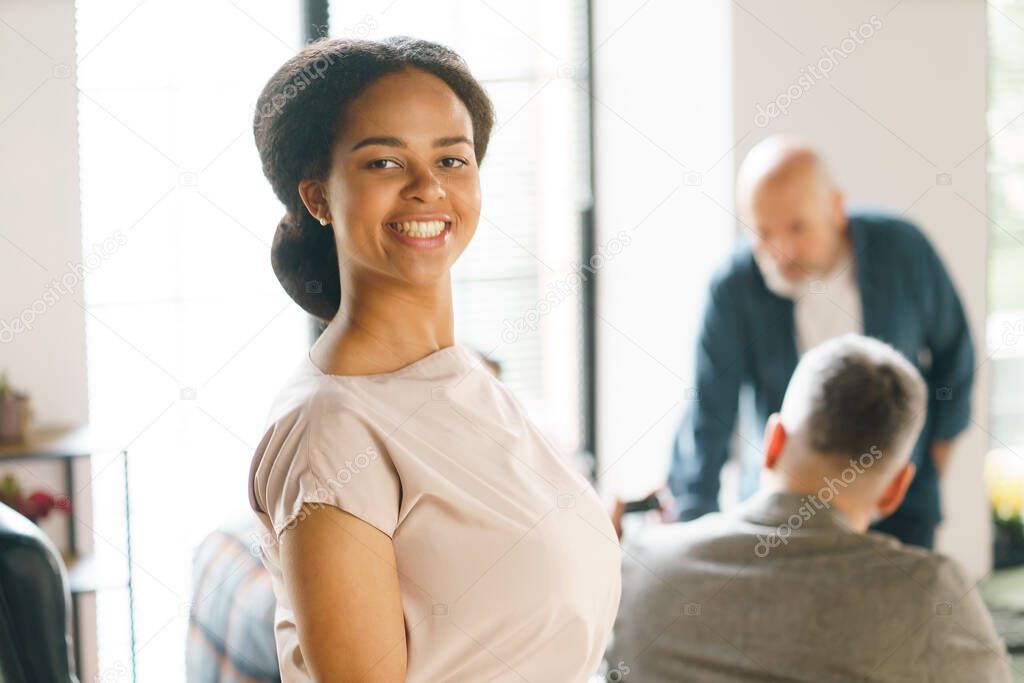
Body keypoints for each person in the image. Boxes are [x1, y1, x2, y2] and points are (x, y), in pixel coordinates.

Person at [246, 37, 621, 682]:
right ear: (317, 197)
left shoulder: (467, 377)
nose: (428, 188)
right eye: (385, 162)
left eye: (452, 159)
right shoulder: (331, 432)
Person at [607, 334, 1011, 682]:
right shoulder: (932, 597)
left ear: (773, 442)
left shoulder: (638, 566)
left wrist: (605, 563)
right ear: (896, 489)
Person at [658, 136, 974, 549]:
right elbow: (709, 414)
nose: (780, 251)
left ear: (836, 208)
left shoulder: (903, 251)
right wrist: (691, 536)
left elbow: (956, 358)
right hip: (783, 514)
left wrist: (930, 462)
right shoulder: (733, 287)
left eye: (797, 227)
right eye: (761, 232)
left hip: (898, 508)